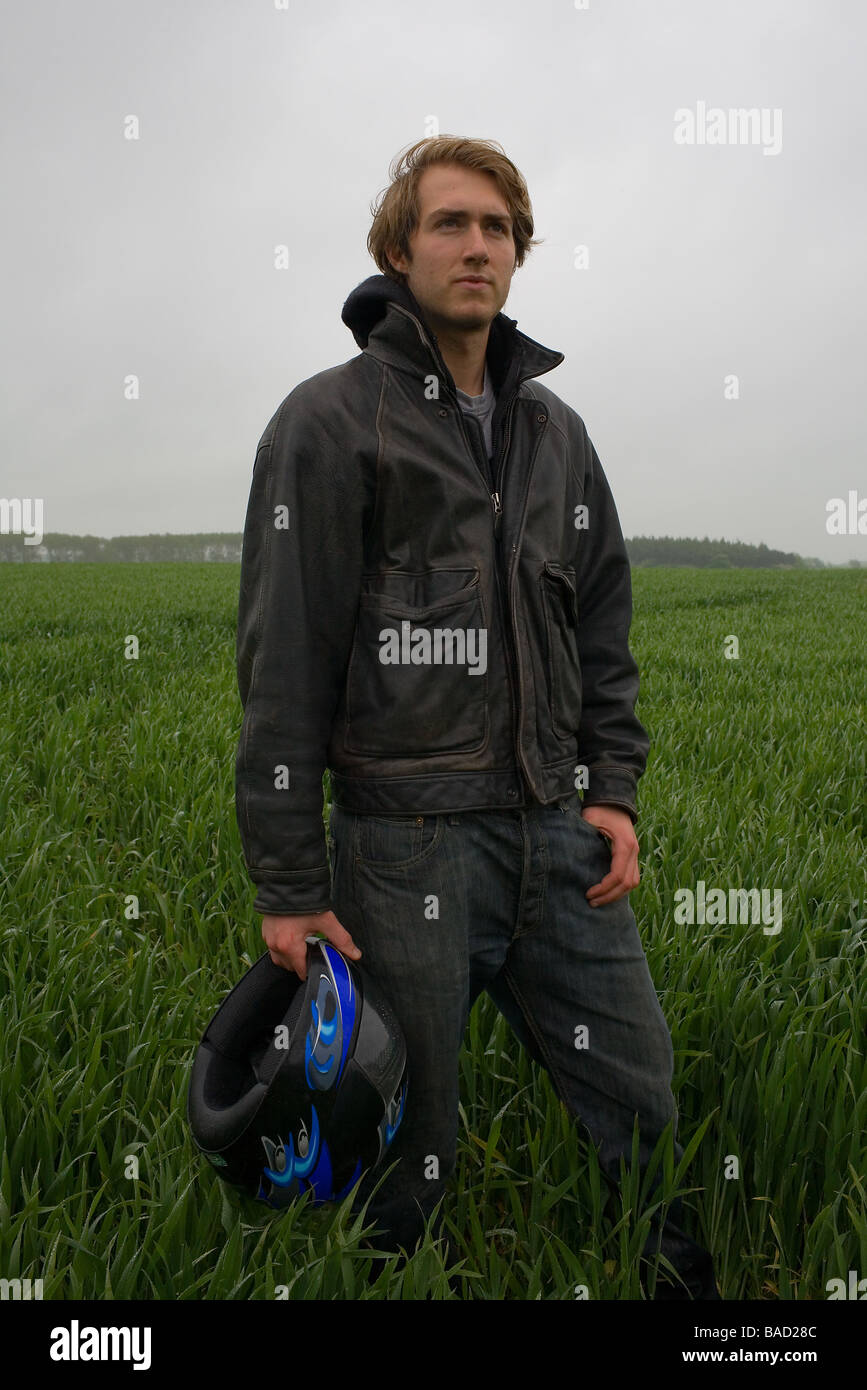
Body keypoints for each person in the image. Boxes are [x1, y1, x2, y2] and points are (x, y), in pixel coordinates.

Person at [234, 135, 721, 1300]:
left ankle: (696, 1309)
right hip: (405, 849)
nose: (477, 246)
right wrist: (290, 883)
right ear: (398, 250)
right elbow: (284, 659)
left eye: (498, 228)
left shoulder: (558, 435)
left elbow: (601, 628)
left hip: (559, 839)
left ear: (520, 254)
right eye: (450, 224)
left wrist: (613, 791)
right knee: (407, 1147)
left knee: (641, 1099)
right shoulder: (331, 422)